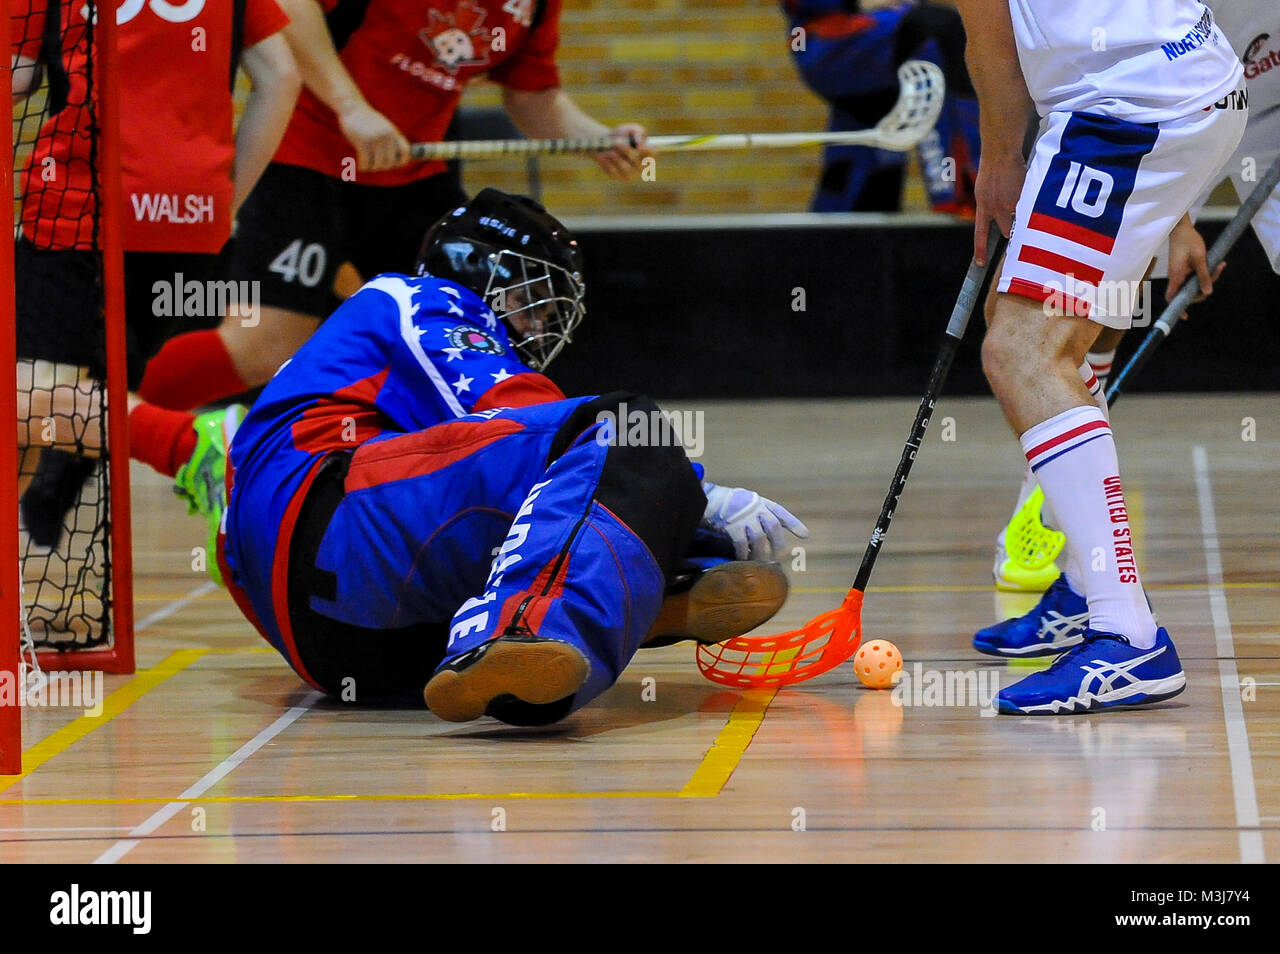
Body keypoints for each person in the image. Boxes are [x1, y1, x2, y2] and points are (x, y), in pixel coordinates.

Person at [194, 189, 806, 724]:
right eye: (534, 299)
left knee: (647, 514)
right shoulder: (418, 296)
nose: (541, 323)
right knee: (620, 429)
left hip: (340, 648)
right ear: (482, 269)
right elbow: (519, 410)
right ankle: (544, 621)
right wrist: (696, 493)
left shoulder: (344, 363)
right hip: (337, 521)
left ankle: (573, 614)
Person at [129, 0, 653, 440]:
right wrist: (350, 107)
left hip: (416, 176)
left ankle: (478, 460)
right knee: (265, 344)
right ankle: (106, 406)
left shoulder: (534, 5)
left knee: (457, 330)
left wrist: (597, 139)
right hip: (309, 158)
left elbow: (533, 94)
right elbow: (291, 7)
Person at [955, 0, 1246, 713]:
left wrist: (998, 160)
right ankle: (1090, 584)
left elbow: (986, 26)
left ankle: (1126, 635)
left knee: (1024, 351)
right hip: (1167, 86)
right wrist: (1171, 210)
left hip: (1129, 103)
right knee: (1034, 323)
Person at [985, 0, 1280, 606]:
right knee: (1076, 313)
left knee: (1027, 343)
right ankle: (1060, 522)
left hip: (1229, 83)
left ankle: (1106, 603)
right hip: (1184, 75)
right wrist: (1173, 222)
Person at [12, 0, 300, 543]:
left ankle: (192, 444)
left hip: (80, 210)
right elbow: (282, 76)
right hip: (189, 220)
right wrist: (223, 201)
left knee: (24, 398)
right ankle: (17, 587)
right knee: (68, 397)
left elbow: (17, 77)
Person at [780, 0, 980, 213]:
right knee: (933, 29)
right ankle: (961, 195)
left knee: (867, 147)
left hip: (880, 31)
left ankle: (837, 232)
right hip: (823, 37)